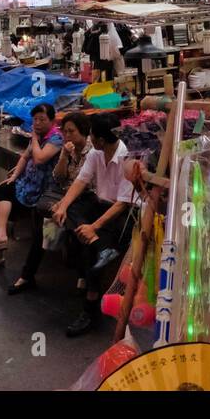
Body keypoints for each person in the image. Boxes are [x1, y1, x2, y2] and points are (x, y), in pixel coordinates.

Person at [52, 114, 135, 336]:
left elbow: (123, 203)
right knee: (70, 209)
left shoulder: (127, 157)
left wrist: (93, 227)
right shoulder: (97, 154)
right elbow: (81, 181)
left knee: (87, 250)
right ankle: (101, 247)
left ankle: (89, 312)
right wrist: (62, 205)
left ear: (98, 140)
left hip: (121, 215)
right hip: (100, 206)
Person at [8, 111, 90, 296]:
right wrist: (63, 156)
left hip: (80, 196)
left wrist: (63, 204)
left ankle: (83, 276)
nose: (67, 136)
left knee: (71, 226)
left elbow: (84, 184)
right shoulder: (65, 147)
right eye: (65, 132)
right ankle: (29, 273)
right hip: (59, 192)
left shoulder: (91, 152)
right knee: (42, 219)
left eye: (71, 131)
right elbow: (59, 176)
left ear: (84, 132)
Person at [0, 103, 62, 275]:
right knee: (3, 189)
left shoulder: (56, 139)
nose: (37, 123)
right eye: (35, 119)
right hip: (27, 184)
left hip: (44, 191)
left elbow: (39, 159)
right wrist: (14, 176)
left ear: (52, 121)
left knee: (35, 227)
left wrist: (34, 139)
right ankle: (0, 238)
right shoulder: (37, 137)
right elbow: (25, 157)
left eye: (42, 119)